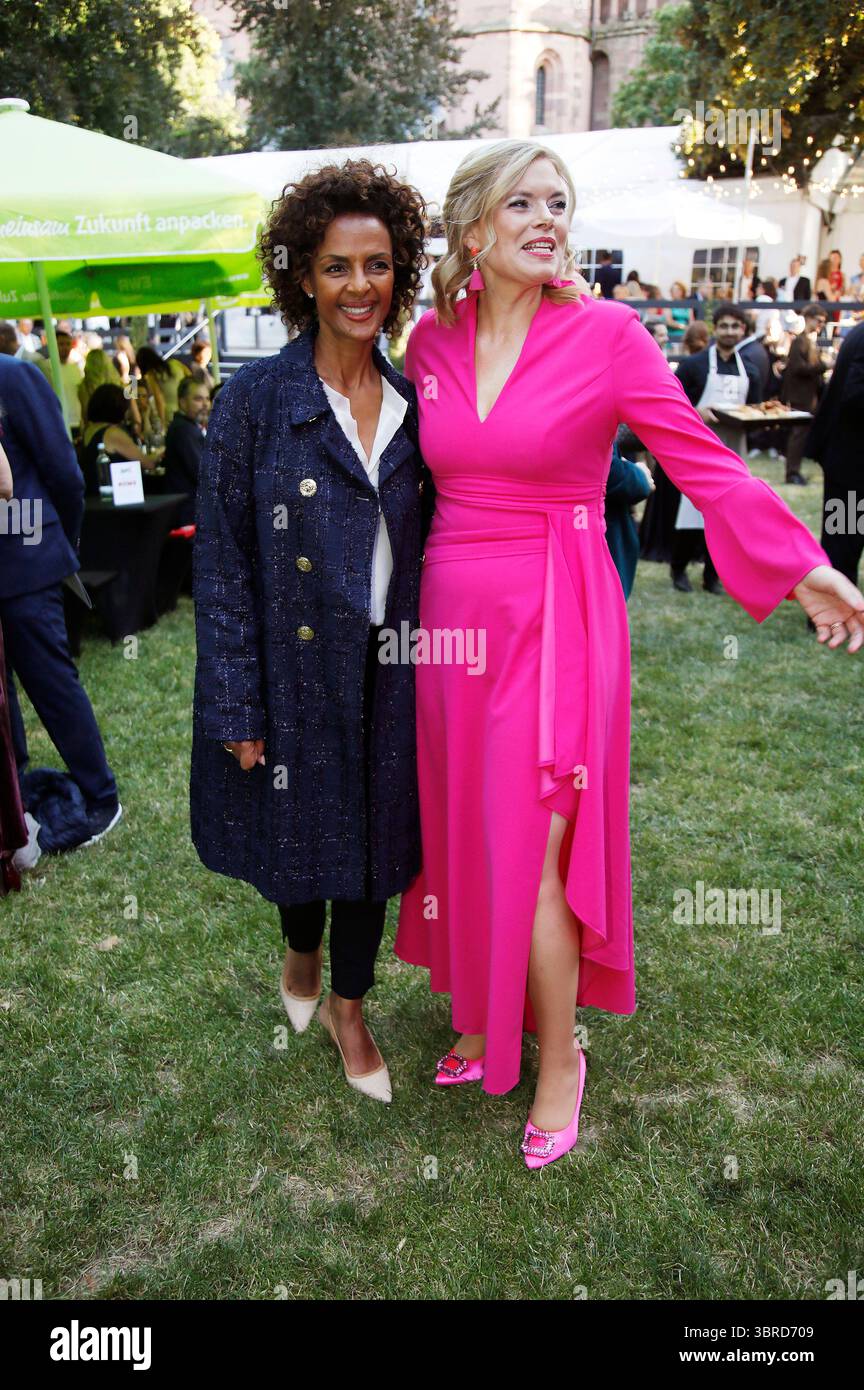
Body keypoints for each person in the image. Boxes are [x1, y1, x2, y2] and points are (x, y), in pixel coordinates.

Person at [391, 138, 864, 1170]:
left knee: (539, 847)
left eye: (560, 202)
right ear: (476, 227)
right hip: (450, 623)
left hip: (560, 615)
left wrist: (803, 565)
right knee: (467, 822)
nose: (548, 218)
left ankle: (560, 1059)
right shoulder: (430, 341)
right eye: (524, 202)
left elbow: (701, 458)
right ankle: (481, 1013)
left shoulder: (608, 336)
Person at [190, 159, 432, 1105]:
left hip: (389, 666)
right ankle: (299, 955)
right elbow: (222, 565)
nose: (359, 286)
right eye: (337, 265)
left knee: (373, 851)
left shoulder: (416, 403)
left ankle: (350, 1003)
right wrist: (238, 701)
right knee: (299, 837)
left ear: (399, 273)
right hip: (294, 670)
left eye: (377, 265)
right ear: (302, 274)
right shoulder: (256, 401)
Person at [0, 356, 122, 845]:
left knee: (50, 682)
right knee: (2, 696)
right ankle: (16, 799)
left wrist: (61, 545)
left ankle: (101, 797)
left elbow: (66, 474)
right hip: (25, 553)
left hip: (29, 558)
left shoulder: (13, 375)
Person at [643, 302, 762, 593]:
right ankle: (679, 568)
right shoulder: (694, 365)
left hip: (733, 448)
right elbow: (671, 406)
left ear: (743, 330)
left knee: (726, 517)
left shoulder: (750, 370)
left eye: (735, 326)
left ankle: (713, 574)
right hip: (697, 449)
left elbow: (757, 410)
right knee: (691, 514)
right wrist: (699, 412)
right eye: (724, 326)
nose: (730, 332)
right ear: (715, 329)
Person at [805, 319, 864, 586]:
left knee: (844, 538)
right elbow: (855, 394)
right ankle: (835, 613)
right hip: (851, 465)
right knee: (843, 541)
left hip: (848, 460)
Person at [78, 384, 162, 495]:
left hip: (93, 498)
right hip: (115, 499)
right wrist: (160, 453)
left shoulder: (89, 430)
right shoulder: (112, 434)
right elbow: (148, 463)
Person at [779, 304, 829, 485]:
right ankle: (792, 473)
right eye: (819, 320)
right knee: (798, 434)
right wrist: (825, 366)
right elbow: (798, 368)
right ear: (809, 318)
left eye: (823, 322)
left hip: (808, 395)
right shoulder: (800, 341)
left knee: (801, 434)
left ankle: (794, 471)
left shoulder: (808, 340)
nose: (821, 324)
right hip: (800, 395)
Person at [161, 376, 208, 524]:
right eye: (198, 399)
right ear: (182, 402)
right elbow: (203, 472)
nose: (205, 404)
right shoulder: (184, 430)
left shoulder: (186, 426)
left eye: (207, 399)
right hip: (189, 514)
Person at [34, 329, 84, 435]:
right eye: (61, 344)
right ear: (53, 345)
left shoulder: (75, 368)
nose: (65, 348)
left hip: (76, 422)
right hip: (57, 423)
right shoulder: (46, 368)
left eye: (67, 344)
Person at [135, 346, 190, 429]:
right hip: (187, 406)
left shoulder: (152, 375)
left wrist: (163, 423)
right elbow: (190, 377)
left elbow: (159, 400)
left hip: (171, 413)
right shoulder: (175, 363)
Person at [78, 346, 122, 429]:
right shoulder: (117, 383)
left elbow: (85, 412)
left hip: (95, 429)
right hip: (117, 429)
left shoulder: (85, 386)